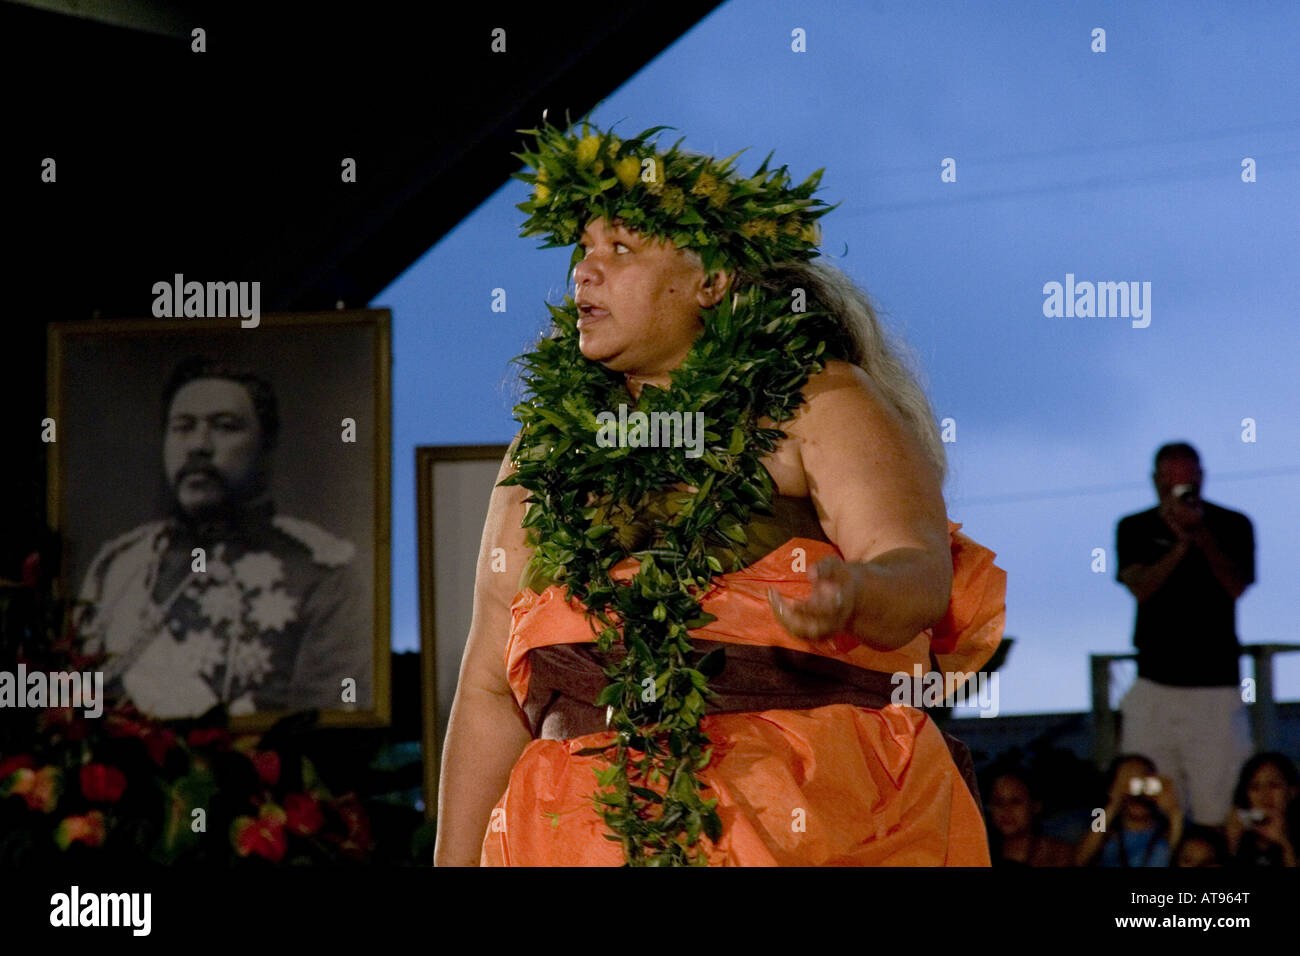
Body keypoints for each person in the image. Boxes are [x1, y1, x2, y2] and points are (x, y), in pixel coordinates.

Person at [435, 118, 1006, 866]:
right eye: (583, 247)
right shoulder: (542, 451)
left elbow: (920, 568)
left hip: (801, 812)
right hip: (574, 832)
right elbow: (486, 691)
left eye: (620, 249)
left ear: (710, 279)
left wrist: (857, 590)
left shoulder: (815, 399)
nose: (584, 269)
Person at [74, 356, 371, 719]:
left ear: (266, 445)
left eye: (225, 427)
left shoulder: (320, 573)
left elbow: (330, 723)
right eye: (182, 427)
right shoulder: (119, 568)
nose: (199, 445)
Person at [1114, 442, 1255, 826]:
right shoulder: (1135, 527)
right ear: (1155, 482)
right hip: (1155, 685)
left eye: (1186, 481)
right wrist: (1179, 544)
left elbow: (1237, 585)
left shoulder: (1233, 525)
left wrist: (1202, 535)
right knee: (1150, 800)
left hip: (1215, 687)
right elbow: (1140, 585)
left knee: (1218, 803)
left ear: (1201, 479)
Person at [1076, 754, 1183, 867]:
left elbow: (1179, 859)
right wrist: (1113, 803)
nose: (1138, 794)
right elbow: (1080, 860)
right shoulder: (1102, 828)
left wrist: (1174, 812)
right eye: (1129, 783)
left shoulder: (1170, 828)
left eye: (1142, 783)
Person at [984, 767, 1075, 867]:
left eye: (1015, 801)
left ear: (1035, 806)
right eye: (998, 802)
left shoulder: (1059, 855)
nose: (1005, 809)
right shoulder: (978, 855)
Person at [1224, 752, 1298, 867]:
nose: (1264, 795)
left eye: (1273, 785)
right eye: (1255, 787)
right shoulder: (1237, 833)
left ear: (1292, 791)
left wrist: (1285, 845)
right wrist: (1231, 844)